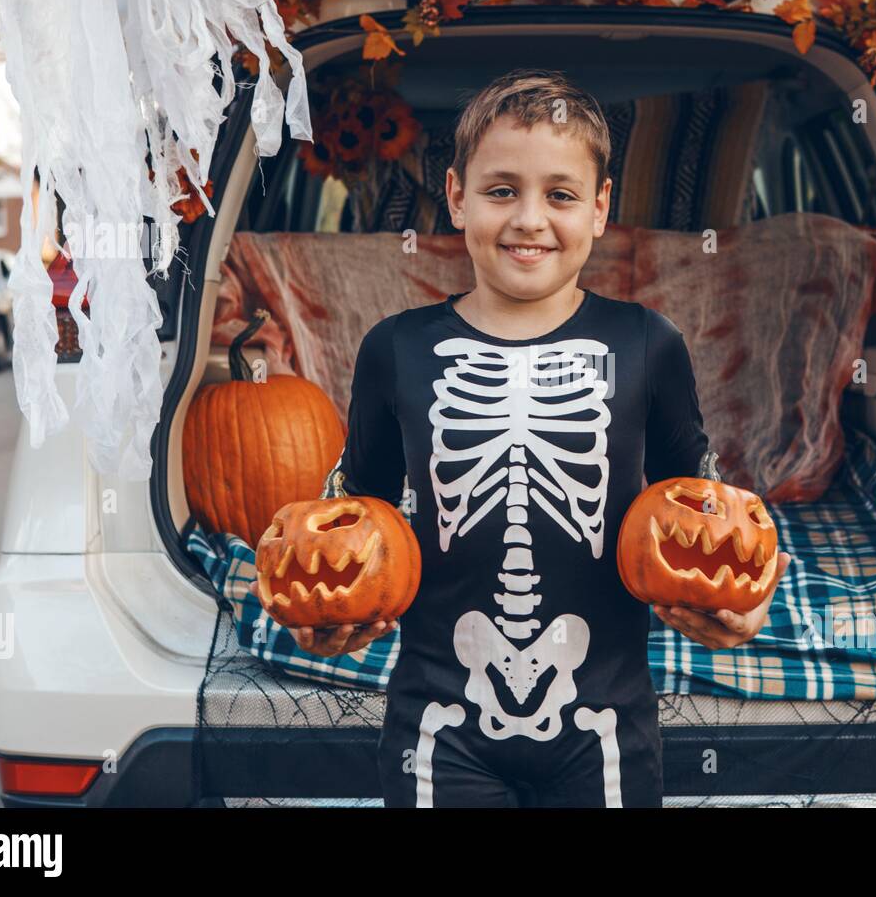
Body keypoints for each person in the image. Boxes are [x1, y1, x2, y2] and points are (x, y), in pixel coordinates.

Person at [292, 69, 789, 807]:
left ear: (600, 207)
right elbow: (357, 522)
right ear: (456, 197)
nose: (529, 219)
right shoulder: (395, 348)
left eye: (559, 194)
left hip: (604, 723)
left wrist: (747, 608)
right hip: (439, 722)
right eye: (501, 191)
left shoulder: (648, 344)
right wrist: (327, 616)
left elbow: (706, 508)